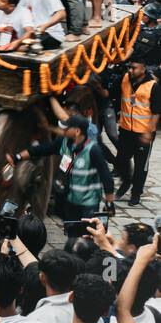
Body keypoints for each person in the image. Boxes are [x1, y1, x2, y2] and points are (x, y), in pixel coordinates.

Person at [10, 114, 113, 239]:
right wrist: (18, 157)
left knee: (87, 237)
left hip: (88, 202)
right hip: (71, 201)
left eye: (66, 128)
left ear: (77, 131)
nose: (63, 131)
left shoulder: (93, 150)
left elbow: (106, 177)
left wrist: (109, 203)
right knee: (72, 236)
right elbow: (43, 149)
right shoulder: (64, 143)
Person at [113, 54, 159, 208]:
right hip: (126, 130)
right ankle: (126, 182)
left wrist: (149, 132)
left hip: (143, 133)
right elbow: (113, 93)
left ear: (143, 69)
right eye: (130, 67)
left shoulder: (153, 85)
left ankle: (136, 193)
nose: (131, 70)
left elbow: (156, 111)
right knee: (121, 161)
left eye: (134, 68)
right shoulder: (125, 78)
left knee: (140, 166)